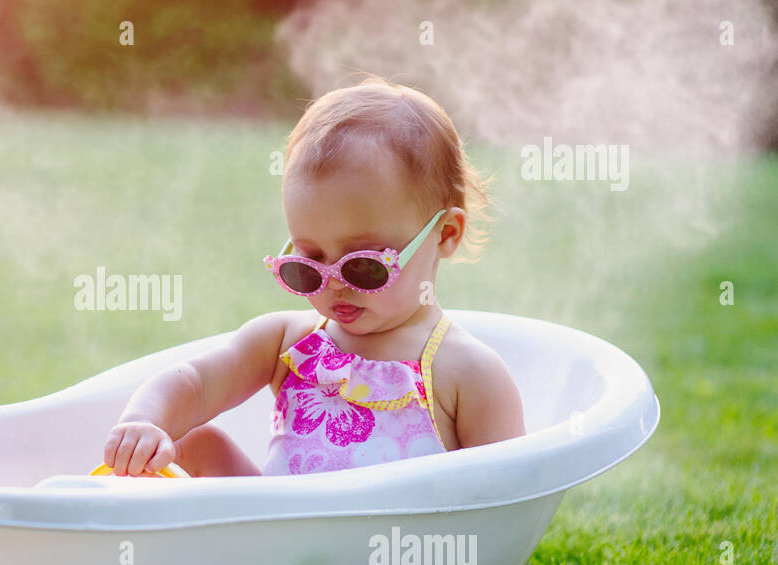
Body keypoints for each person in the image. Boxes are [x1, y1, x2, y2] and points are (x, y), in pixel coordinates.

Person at [104, 75, 525, 477]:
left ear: (446, 234)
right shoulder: (287, 345)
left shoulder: (466, 373)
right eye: (308, 265)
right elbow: (196, 382)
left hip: (393, 546)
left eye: (363, 265)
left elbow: (508, 496)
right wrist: (144, 421)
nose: (333, 285)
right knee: (193, 445)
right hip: (277, 534)